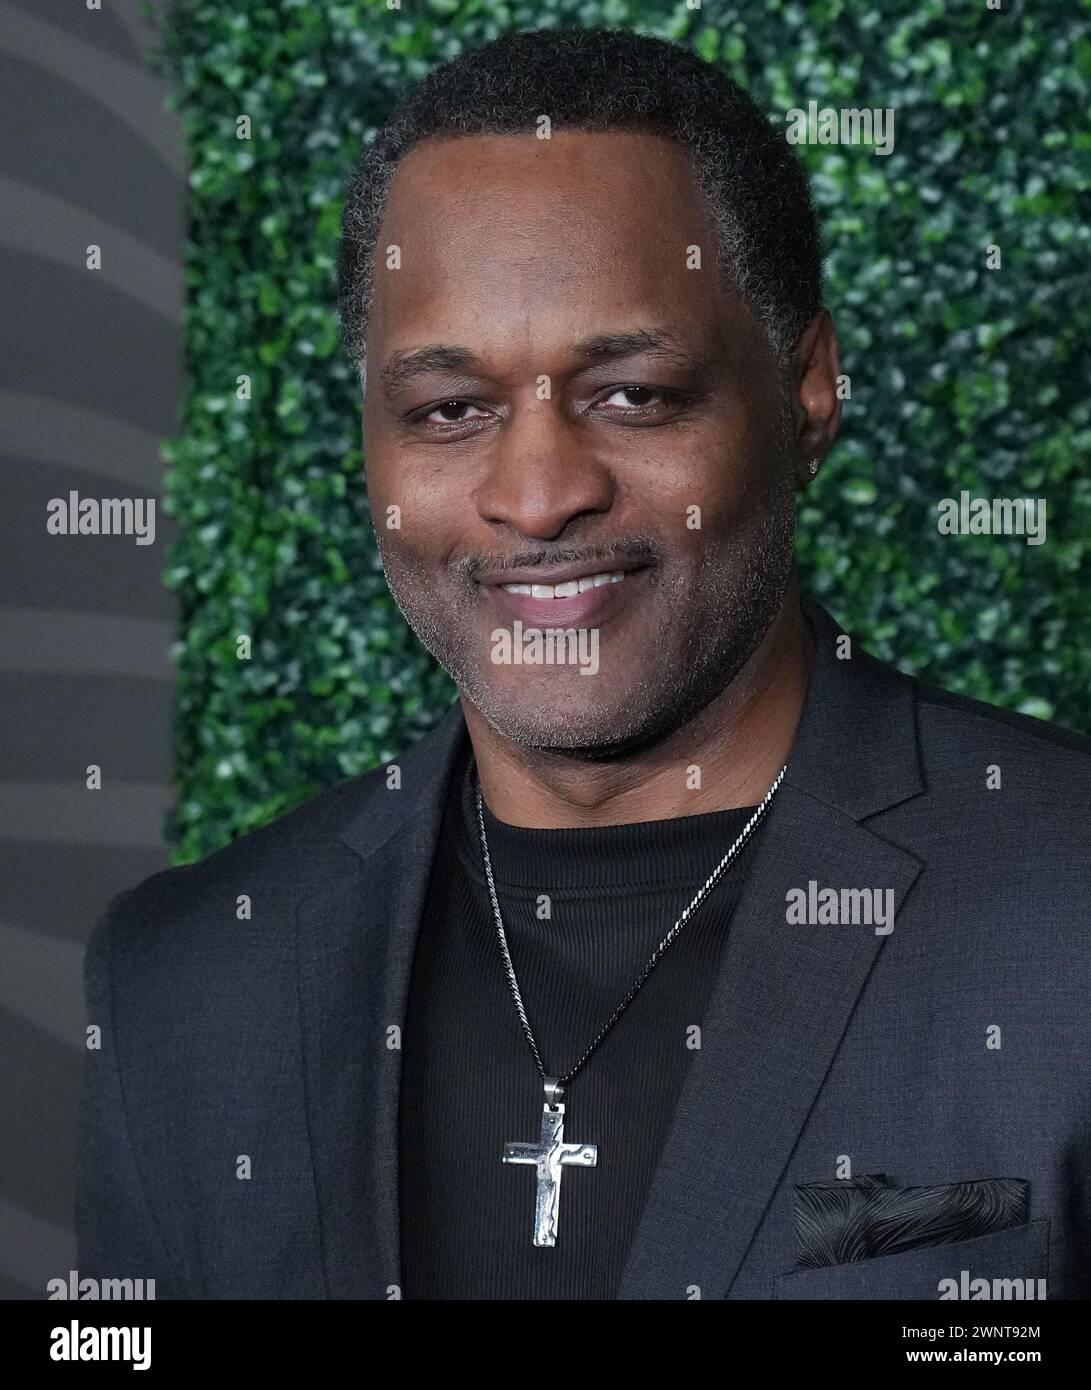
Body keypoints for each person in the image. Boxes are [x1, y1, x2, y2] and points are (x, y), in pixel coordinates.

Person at [77, 26, 1090, 1301]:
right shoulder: (186, 982)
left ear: (806, 392)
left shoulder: (1066, 915)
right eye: (450, 411)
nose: (539, 492)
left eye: (632, 394)